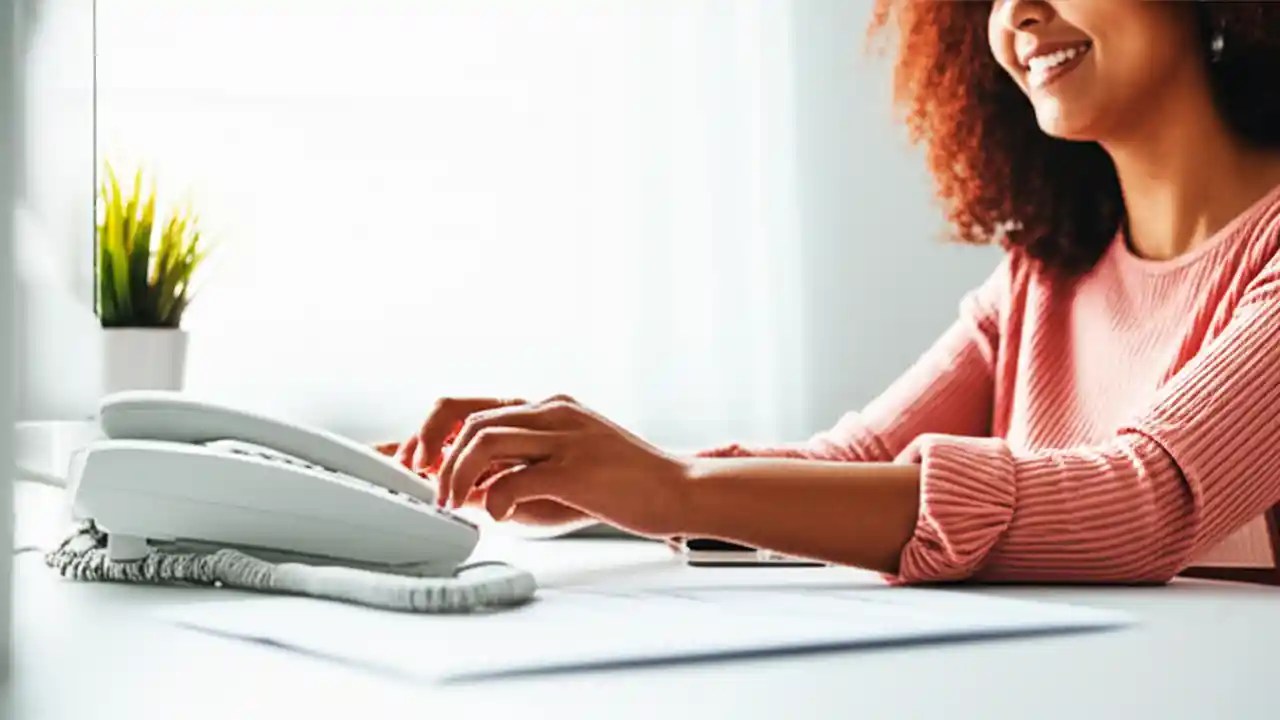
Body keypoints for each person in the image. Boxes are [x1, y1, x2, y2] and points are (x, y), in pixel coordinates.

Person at [381, 0, 1280, 584]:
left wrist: (674, 487)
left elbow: (1142, 503)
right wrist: (596, 479)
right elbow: (850, 472)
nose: (1019, 16)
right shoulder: (1045, 275)